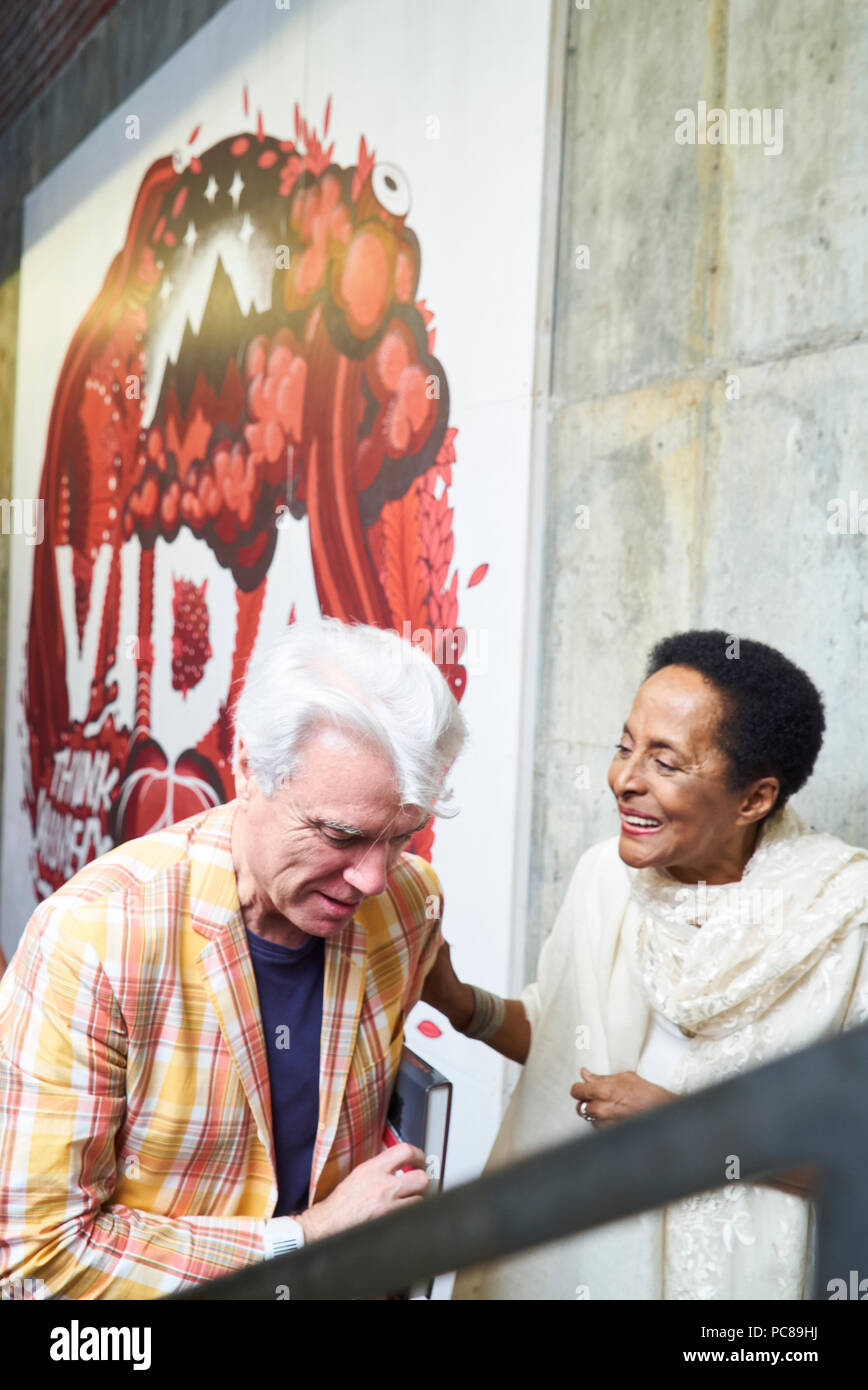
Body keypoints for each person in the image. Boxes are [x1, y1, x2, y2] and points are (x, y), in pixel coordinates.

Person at [0, 618, 466, 1299]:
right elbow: (38, 1251)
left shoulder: (408, 906)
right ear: (247, 768)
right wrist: (302, 1239)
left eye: (401, 836)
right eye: (342, 834)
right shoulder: (94, 939)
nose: (372, 878)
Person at [423, 630, 868, 1300]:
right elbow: (563, 1039)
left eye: (666, 762)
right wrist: (460, 1004)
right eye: (625, 746)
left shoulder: (843, 918)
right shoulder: (607, 877)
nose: (625, 781)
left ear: (754, 799)